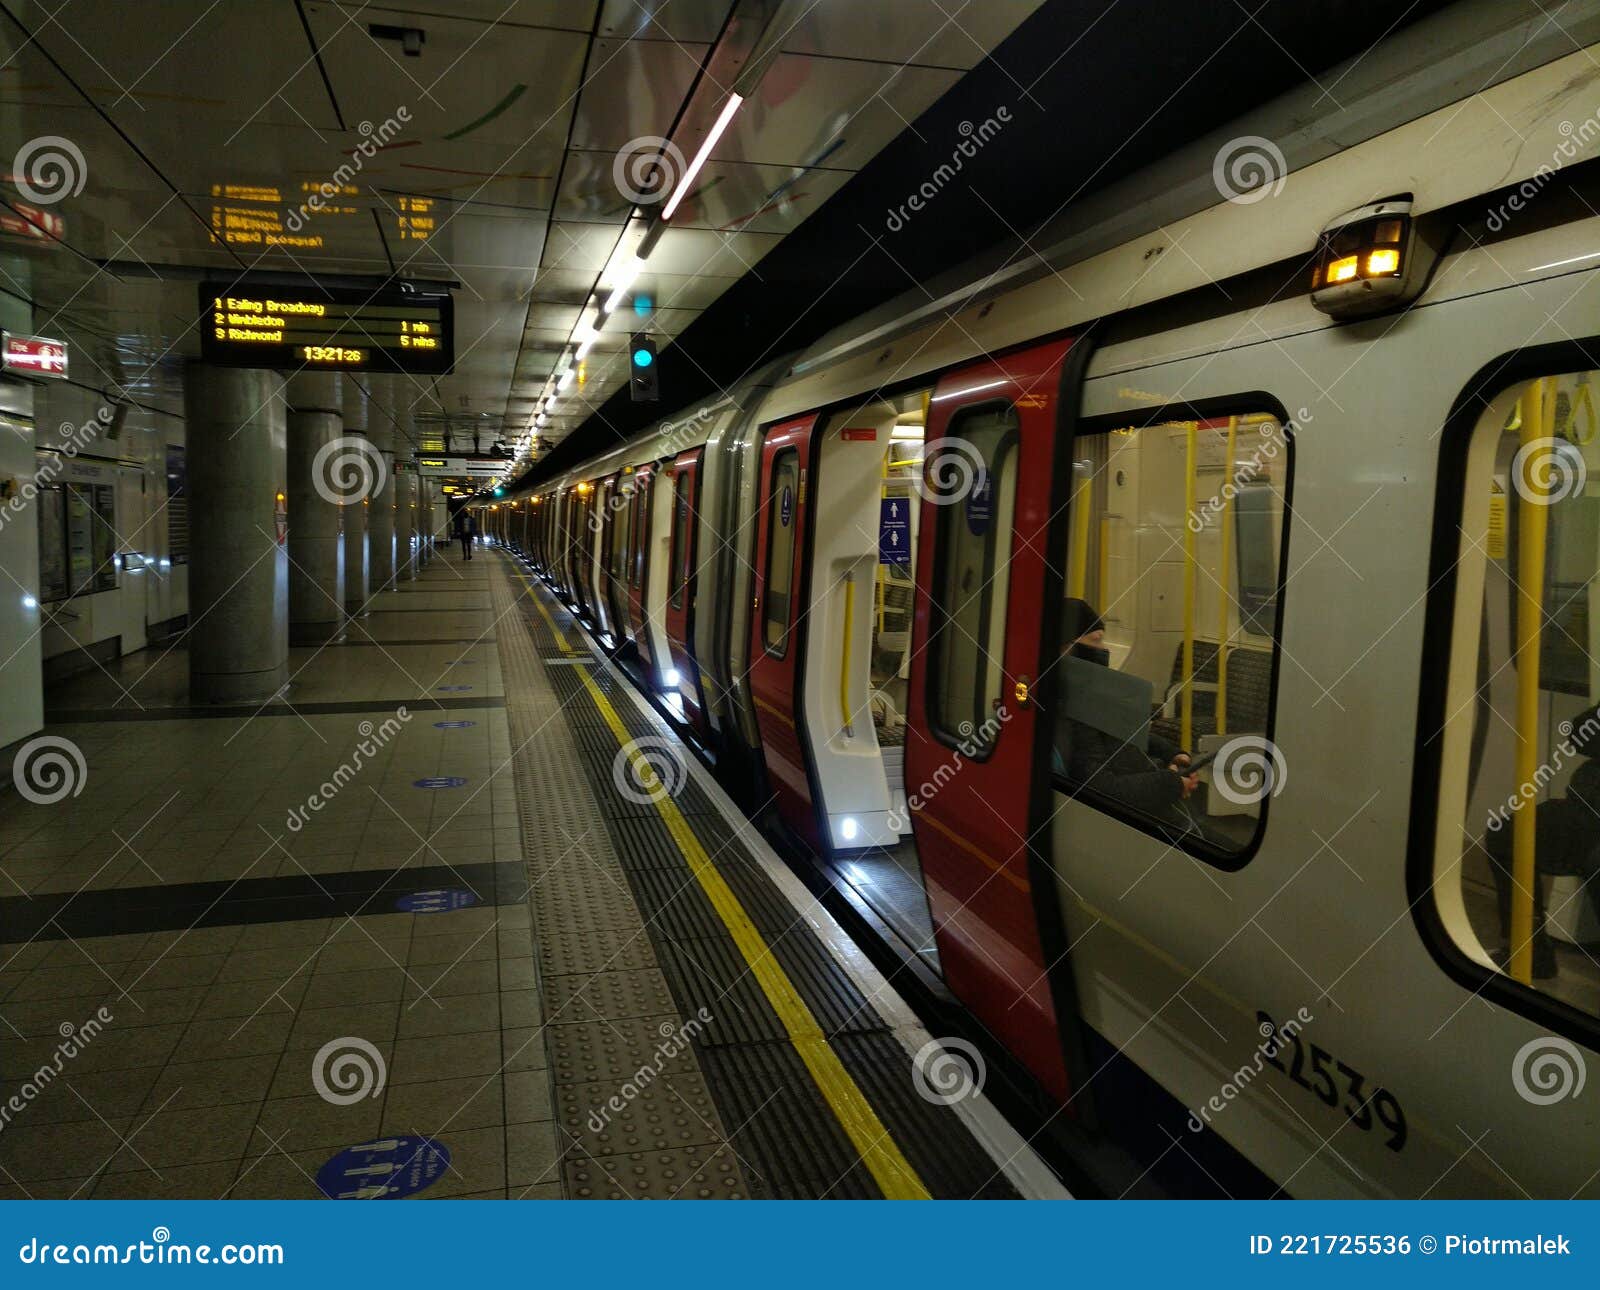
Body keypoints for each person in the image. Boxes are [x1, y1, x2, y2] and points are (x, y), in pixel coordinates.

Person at [1053, 598, 1199, 818]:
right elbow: (1102, 789)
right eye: (1096, 640)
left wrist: (1171, 753)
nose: (1103, 650)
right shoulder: (1070, 710)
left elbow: (1123, 731)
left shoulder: (1085, 694)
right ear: (1066, 649)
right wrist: (1170, 784)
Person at [1483, 708, 1600, 980]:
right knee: (1508, 833)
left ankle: (1530, 947)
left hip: (1590, 819)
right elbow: (1579, 736)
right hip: (1583, 812)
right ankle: (1530, 945)